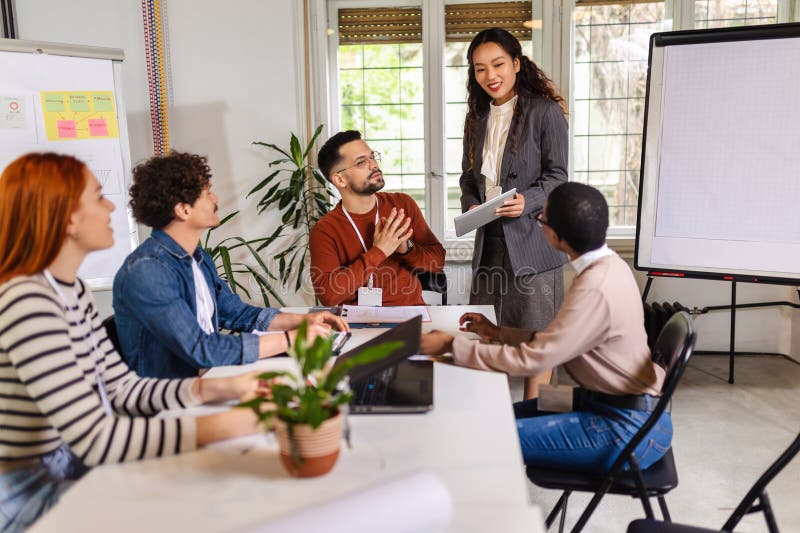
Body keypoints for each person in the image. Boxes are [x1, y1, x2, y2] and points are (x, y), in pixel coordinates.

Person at [0, 153, 271, 532]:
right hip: (24, 489)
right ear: (68, 219)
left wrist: (225, 386)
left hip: (70, 464)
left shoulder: (72, 290)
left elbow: (122, 389)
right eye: (98, 197)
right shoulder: (27, 301)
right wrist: (235, 423)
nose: (111, 205)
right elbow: (98, 438)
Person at [420, 182, 672, 474]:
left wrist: (452, 346)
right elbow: (554, 340)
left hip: (624, 428)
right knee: (492, 413)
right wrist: (497, 333)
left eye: (541, 218)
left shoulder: (594, 288)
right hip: (611, 404)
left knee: (480, 435)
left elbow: (533, 360)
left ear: (554, 235)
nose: (539, 224)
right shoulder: (610, 266)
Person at [113, 152, 347, 379]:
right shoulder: (148, 271)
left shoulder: (197, 257)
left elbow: (238, 313)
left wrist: (304, 322)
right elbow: (202, 349)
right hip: (173, 400)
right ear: (183, 210)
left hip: (210, 380)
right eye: (208, 193)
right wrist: (291, 339)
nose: (215, 199)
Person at [459, 28, 569, 397]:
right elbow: (467, 177)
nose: (490, 75)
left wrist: (529, 201)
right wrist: (472, 205)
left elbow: (559, 177)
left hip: (533, 244)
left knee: (538, 342)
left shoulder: (545, 112)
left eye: (498, 64)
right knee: (488, 334)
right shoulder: (475, 117)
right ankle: (491, 422)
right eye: (479, 69)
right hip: (489, 242)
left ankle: (539, 426)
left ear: (517, 64)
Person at [310, 130, 445, 306]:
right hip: (358, 322)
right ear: (340, 180)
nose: (373, 165)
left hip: (411, 314)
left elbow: (438, 262)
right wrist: (379, 251)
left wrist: (406, 248)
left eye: (372, 157)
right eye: (361, 162)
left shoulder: (402, 204)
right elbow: (328, 296)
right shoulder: (325, 230)